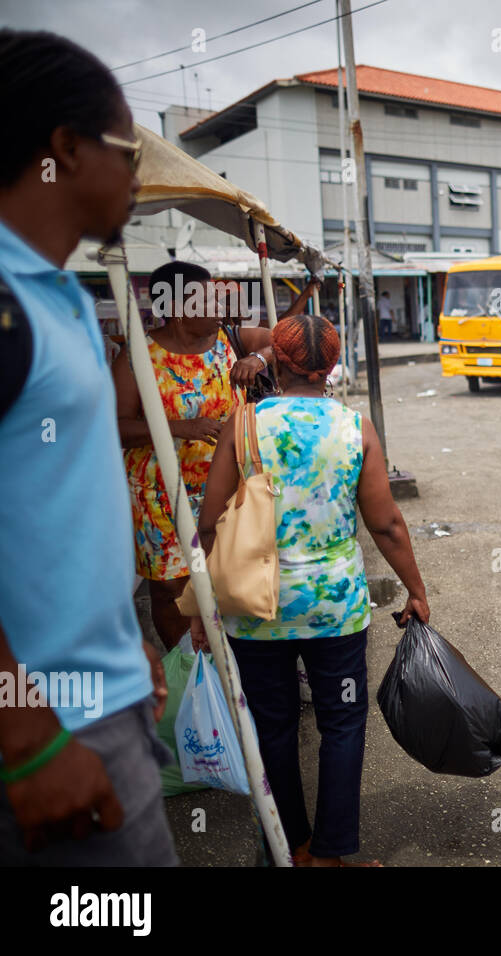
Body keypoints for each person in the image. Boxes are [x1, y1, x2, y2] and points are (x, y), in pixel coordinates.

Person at [0, 29, 175, 866]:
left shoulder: (61, 295)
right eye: (126, 147)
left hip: (103, 698)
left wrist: (113, 632)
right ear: (63, 150)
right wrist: (25, 732)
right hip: (51, 736)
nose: (138, 172)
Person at [192, 314, 429, 867]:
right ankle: (331, 855)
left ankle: (290, 849)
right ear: (333, 365)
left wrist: (203, 606)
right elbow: (387, 524)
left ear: (278, 357)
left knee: (271, 727)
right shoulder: (355, 428)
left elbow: (208, 522)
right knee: (342, 723)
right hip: (333, 610)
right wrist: (415, 590)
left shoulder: (243, 423)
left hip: (254, 608)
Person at [112, 262, 269, 647]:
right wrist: (181, 428)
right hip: (162, 499)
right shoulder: (138, 357)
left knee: (230, 579)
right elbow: (114, 426)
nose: (220, 305)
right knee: (171, 591)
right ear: (181, 309)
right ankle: (190, 669)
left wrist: (259, 358)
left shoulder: (231, 338)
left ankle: (236, 663)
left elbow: (288, 337)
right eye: (210, 299)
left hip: (229, 491)